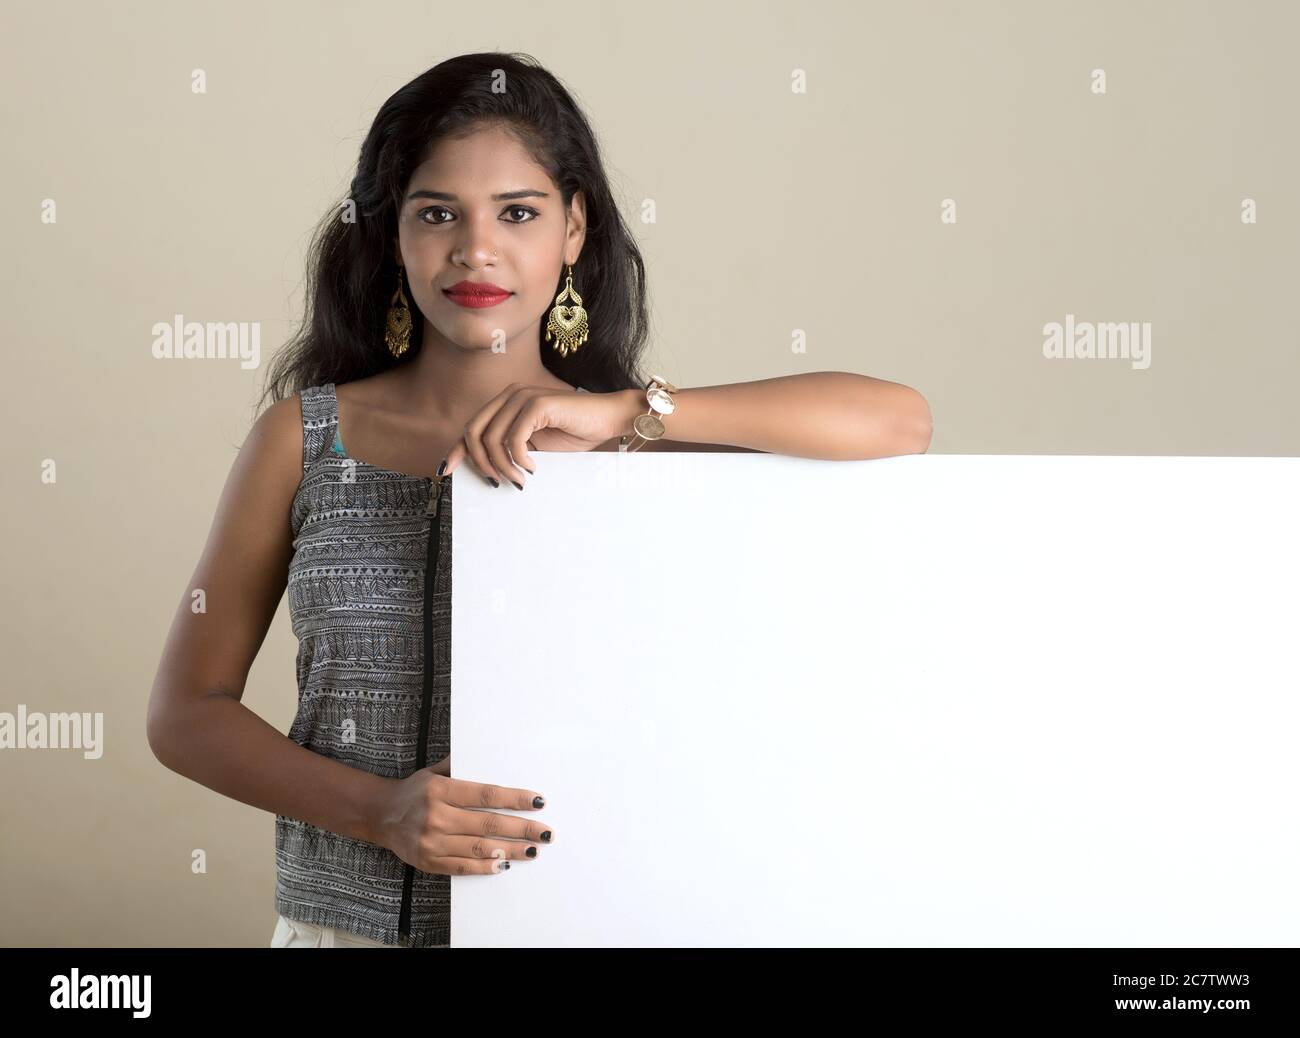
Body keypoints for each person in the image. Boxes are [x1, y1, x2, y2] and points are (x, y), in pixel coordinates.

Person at [145, 51, 933, 949]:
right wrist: (381, 811)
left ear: (573, 228)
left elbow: (899, 421)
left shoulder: (628, 447)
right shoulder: (307, 438)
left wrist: (625, 413)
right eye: (437, 213)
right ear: (392, 234)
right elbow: (185, 713)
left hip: (571, 922)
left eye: (517, 212)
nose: (476, 249)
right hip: (343, 931)